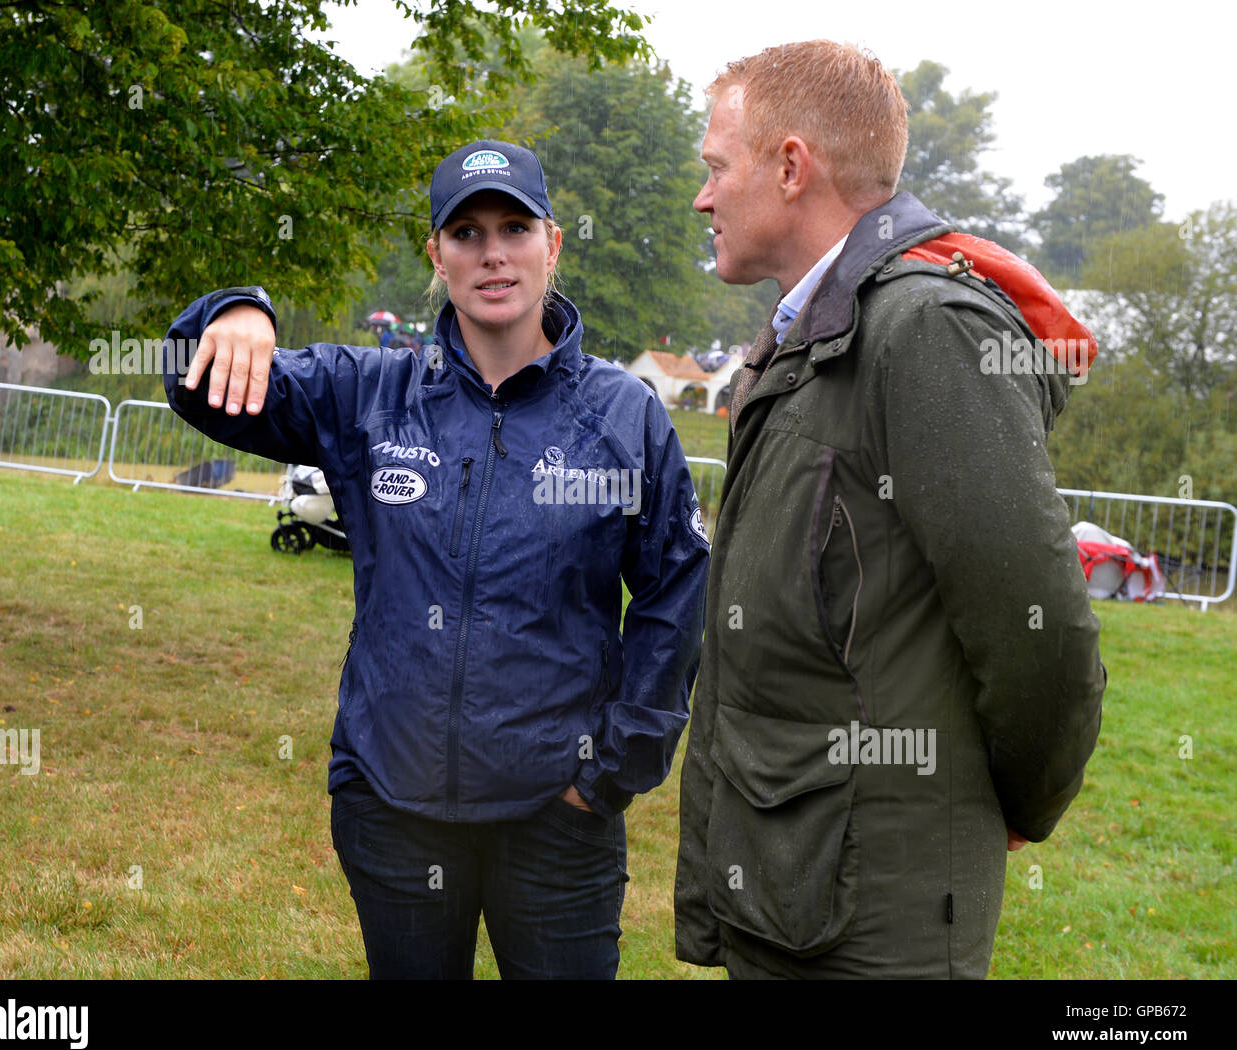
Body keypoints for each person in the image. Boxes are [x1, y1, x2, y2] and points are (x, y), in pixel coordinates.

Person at [163, 139, 709, 979]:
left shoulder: (622, 414)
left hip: (558, 818)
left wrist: (609, 770)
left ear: (553, 244)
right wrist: (237, 310)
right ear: (436, 254)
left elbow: (675, 593)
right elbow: (195, 381)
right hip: (393, 807)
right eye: (466, 232)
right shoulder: (369, 392)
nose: (492, 253)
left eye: (514, 228)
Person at [673, 41, 1106, 979]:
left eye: (716, 167)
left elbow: (1040, 629)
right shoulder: (811, 330)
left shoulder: (926, 332)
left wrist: (1013, 804)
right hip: (792, 893)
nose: (703, 199)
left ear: (791, 167)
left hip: (873, 921)